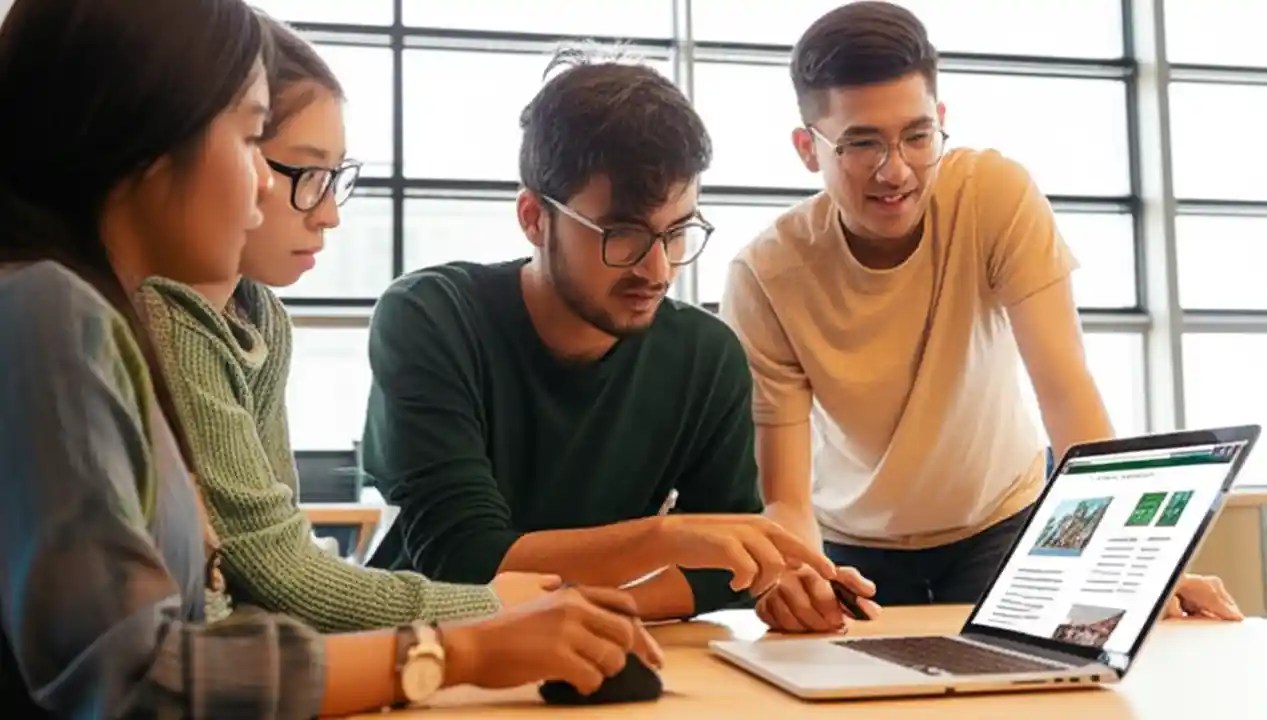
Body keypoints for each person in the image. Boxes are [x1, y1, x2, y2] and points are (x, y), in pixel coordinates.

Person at [0, 1, 659, 716]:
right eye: (249, 137)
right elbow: (131, 679)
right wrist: (453, 650)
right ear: (146, 137)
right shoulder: (48, 312)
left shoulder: (95, 314)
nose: (262, 186)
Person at [717, 0, 1243, 633]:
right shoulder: (766, 275)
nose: (895, 170)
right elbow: (786, 496)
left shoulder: (992, 195)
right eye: (862, 143)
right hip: (853, 552)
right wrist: (799, 574)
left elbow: (1065, 389)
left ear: (941, 121)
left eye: (917, 137)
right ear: (809, 148)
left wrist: (1140, 562)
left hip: (1003, 523)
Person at [362, 46, 858, 622]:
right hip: (427, 648)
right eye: (623, 235)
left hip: (602, 649)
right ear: (533, 217)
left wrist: (593, 612)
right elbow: (464, 559)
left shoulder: (704, 356)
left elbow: (728, 569)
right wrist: (667, 540)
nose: (658, 270)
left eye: (677, 232)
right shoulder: (432, 319)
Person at [139, 11, 554, 634]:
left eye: (335, 178)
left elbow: (273, 562)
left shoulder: (259, 315)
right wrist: (488, 607)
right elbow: (277, 572)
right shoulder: (166, 319)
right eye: (308, 176)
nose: (329, 213)